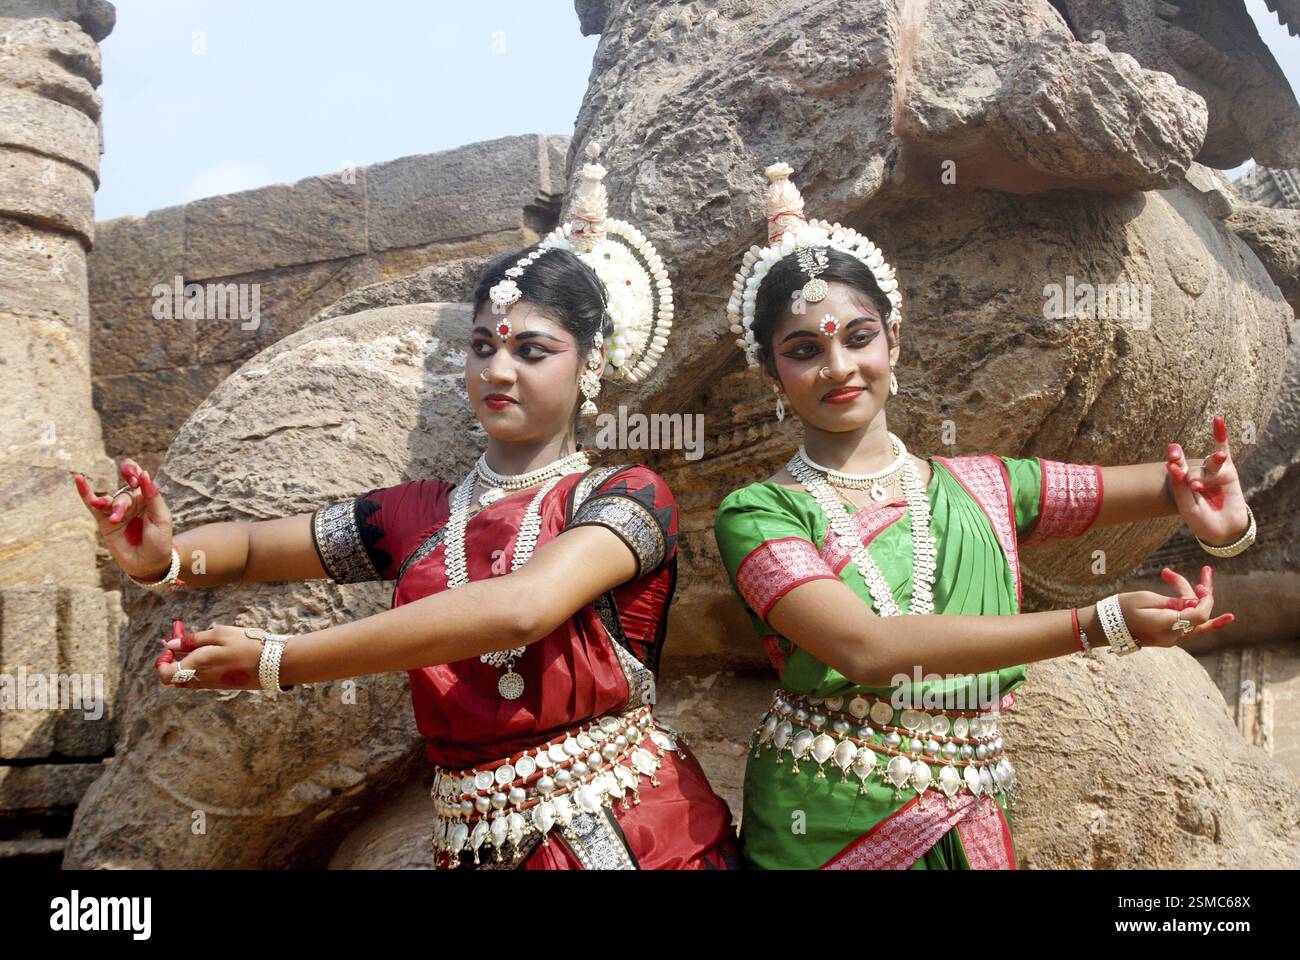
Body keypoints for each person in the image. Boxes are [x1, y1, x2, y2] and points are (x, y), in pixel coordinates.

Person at [74, 144, 738, 870]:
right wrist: (166, 557)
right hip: (472, 842)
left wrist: (279, 660)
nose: (498, 370)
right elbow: (260, 548)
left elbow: (522, 607)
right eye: (483, 345)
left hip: (634, 835)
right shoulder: (418, 515)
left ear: (592, 363)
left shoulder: (625, 497)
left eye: (533, 350)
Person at [712, 162, 1250, 870]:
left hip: (969, 812)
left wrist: (1226, 522)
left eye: (858, 337)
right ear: (771, 372)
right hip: (823, 828)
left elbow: (1176, 486)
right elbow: (865, 650)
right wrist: (1100, 624)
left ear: (894, 340)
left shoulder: (985, 485)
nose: (838, 367)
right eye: (804, 350)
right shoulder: (758, 513)